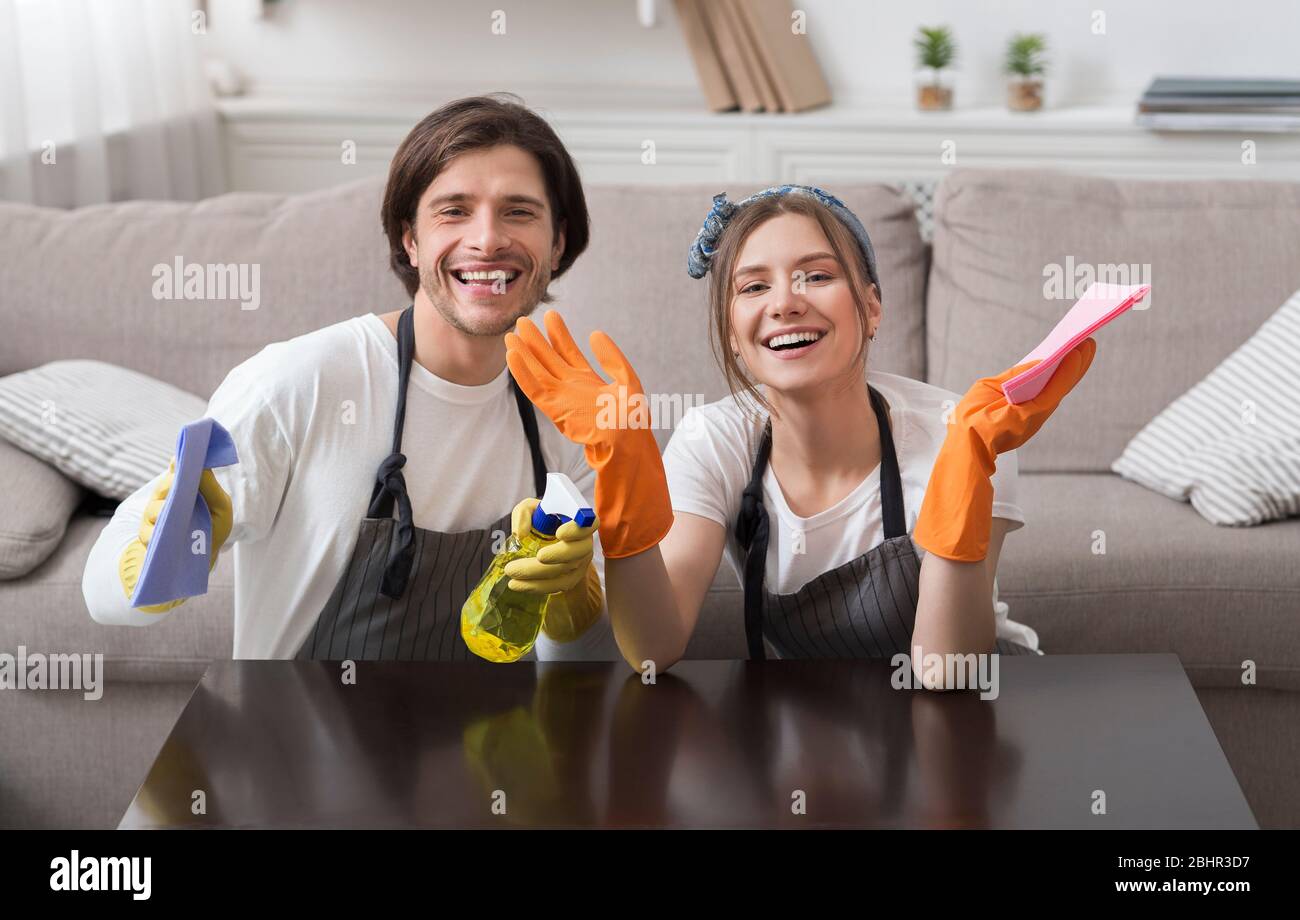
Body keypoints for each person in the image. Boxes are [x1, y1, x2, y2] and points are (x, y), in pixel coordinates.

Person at [83, 94, 612, 661]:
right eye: (453, 211)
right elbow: (100, 595)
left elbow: (576, 674)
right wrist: (164, 557)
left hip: (491, 745)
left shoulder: (574, 417)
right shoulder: (300, 382)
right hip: (297, 742)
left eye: (520, 211)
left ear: (556, 244)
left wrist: (573, 600)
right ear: (411, 240)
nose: (487, 239)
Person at [505, 185, 1098, 682]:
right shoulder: (715, 440)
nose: (785, 302)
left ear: (871, 309)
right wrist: (626, 470)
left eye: (816, 276)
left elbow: (948, 672)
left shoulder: (961, 433)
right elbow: (655, 649)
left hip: (974, 705)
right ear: (733, 333)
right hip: (808, 729)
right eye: (754, 286)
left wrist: (967, 471)